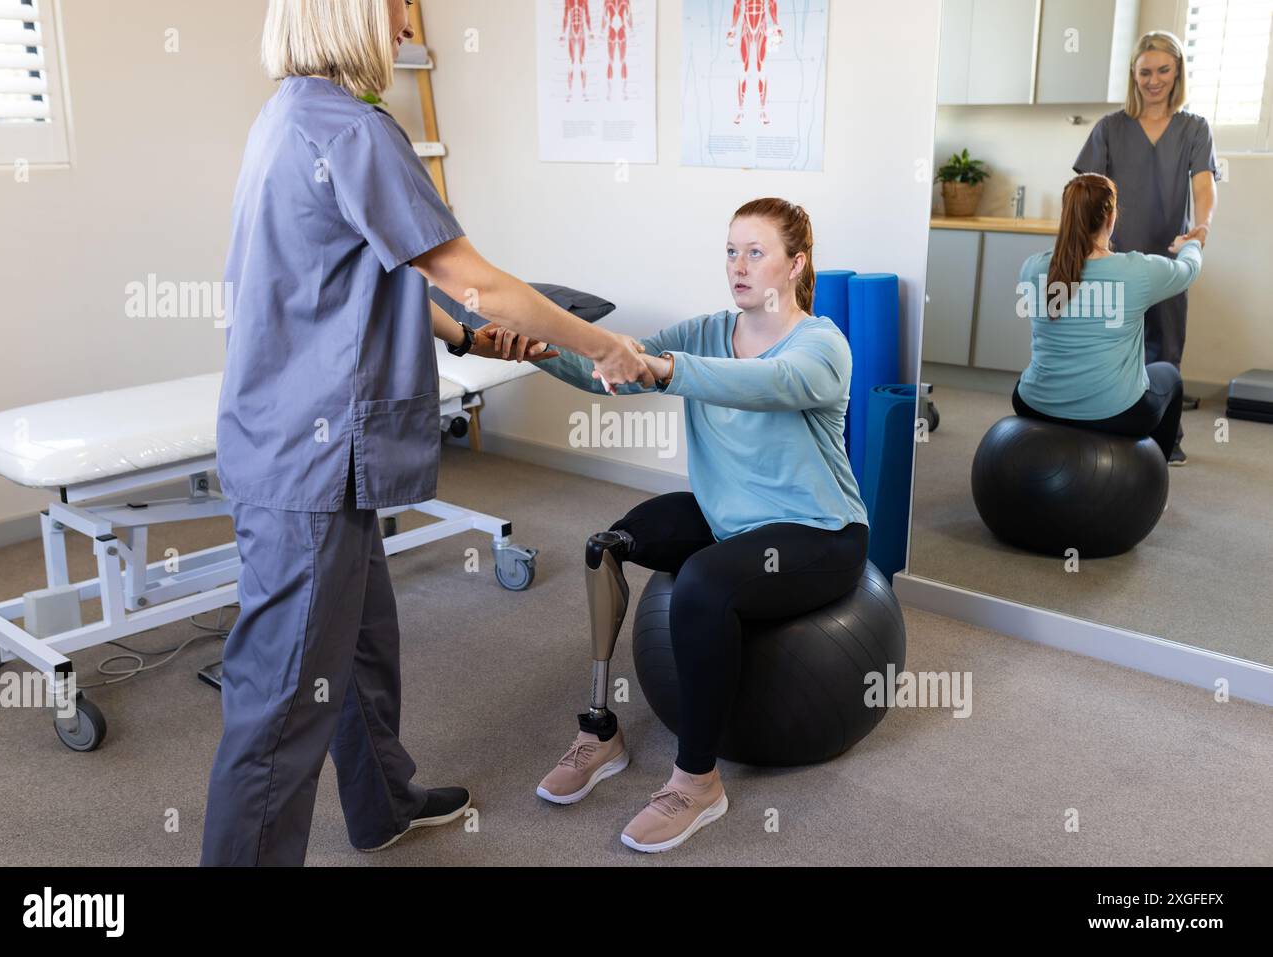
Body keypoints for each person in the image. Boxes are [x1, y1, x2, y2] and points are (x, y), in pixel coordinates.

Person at [203, 0, 649, 867]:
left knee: (363, 644)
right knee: (283, 698)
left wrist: (470, 337)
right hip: (310, 456)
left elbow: (367, 272)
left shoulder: (286, 115)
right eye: (397, 11)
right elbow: (468, 277)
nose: (408, 32)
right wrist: (604, 346)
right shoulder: (357, 131)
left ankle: (382, 803)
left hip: (298, 440)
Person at [487, 198, 870, 852]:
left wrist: (664, 369)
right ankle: (600, 729)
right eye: (730, 250)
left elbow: (769, 383)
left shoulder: (821, 343)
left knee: (703, 586)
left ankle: (697, 782)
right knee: (606, 545)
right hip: (729, 514)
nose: (738, 265)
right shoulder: (703, 331)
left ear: (796, 262)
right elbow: (613, 371)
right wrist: (541, 350)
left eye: (756, 251)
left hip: (818, 533)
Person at [1073, 30, 1219, 465]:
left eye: (1163, 70)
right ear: (1133, 75)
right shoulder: (1110, 129)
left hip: (1168, 258)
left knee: (1166, 349)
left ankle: (1164, 440)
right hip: (1112, 259)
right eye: (1144, 72)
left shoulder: (1194, 128)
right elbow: (1087, 191)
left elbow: (1204, 185)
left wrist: (1203, 226)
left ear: (1177, 72)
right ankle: (1107, 424)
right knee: (1113, 345)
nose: (1153, 80)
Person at [1012, 173, 1202, 463]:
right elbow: (1189, 270)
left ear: (1066, 215)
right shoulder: (1137, 271)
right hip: (1116, 413)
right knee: (1169, 375)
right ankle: (1162, 469)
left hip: (1034, 403)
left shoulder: (1033, 268)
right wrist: (1191, 244)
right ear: (1111, 217)